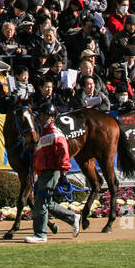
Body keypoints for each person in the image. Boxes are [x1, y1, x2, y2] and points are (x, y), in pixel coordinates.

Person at [24, 103, 81, 244]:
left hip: (51, 172)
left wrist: (62, 174)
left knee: (40, 203)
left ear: (52, 117)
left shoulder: (55, 134)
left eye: (45, 115)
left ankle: (40, 234)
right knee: (46, 203)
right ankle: (72, 218)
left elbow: (63, 155)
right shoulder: (44, 133)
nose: (41, 117)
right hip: (44, 172)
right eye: (41, 114)